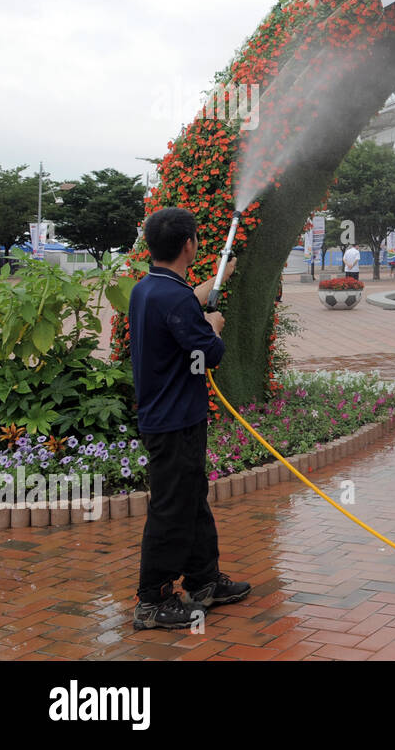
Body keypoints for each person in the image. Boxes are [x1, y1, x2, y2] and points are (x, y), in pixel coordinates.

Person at [129, 207, 251, 630]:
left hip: (171, 418)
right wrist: (213, 326)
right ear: (189, 245)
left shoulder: (148, 289)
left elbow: (179, 307)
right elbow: (207, 355)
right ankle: (152, 601)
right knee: (170, 510)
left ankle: (203, 581)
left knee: (192, 500)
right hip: (175, 422)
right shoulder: (174, 298)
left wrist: (218, 280)